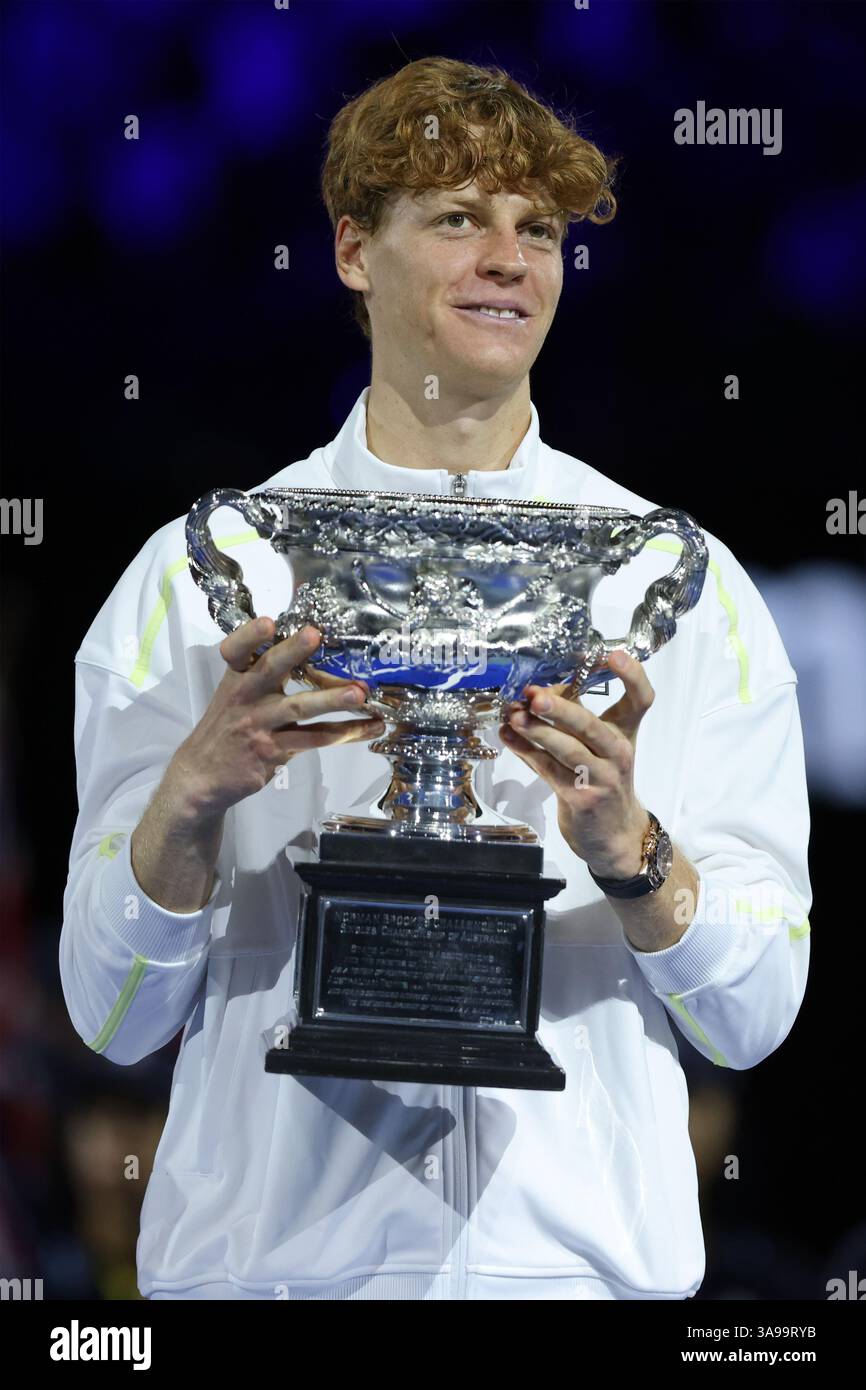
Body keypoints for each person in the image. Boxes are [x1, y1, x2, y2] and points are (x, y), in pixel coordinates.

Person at [59, 57, 811, 1301]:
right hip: (268, 1284)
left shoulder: (671, 584)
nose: (506, 259)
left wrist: (632, 853)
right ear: (353, 252)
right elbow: (111, 1012)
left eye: (536, 230)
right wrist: (186, 800)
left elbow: (756, 1013)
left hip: (574, 1288)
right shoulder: (203, 578)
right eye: (457, 217)